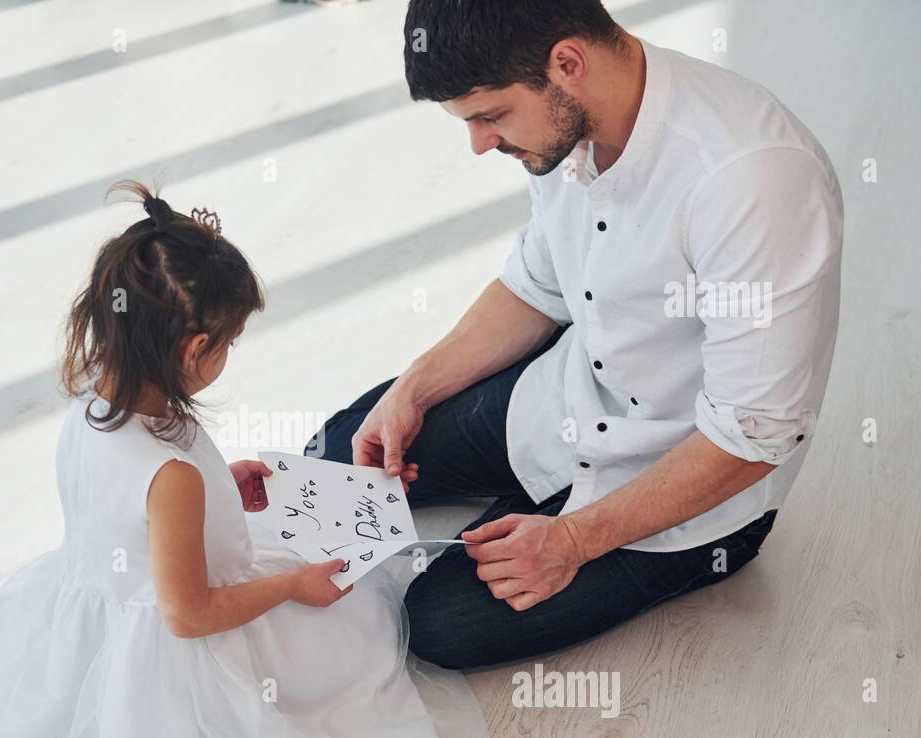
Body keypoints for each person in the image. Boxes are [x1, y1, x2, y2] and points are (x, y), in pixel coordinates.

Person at [0, 181, 488, 738]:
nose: (230, 354)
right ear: (195, 348)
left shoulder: (96, 405)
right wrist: (293, 585)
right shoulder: (169, 476)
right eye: (229, 342)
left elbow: (124, 521)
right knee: (357, 647)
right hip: (181, 648)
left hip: (100, 612)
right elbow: (190, 614)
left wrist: (220, 492)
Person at [309, 0, 843, 668]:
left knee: (437, 623)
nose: (478, 144)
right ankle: (519, 502)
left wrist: (572, 539)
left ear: (567, 63)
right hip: (561, 400)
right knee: (334, 457)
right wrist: (417, 387)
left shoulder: (751, 177)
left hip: (684, 485)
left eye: (490, 115)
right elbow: (537, 288)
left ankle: (538, 518)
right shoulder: (562, 133)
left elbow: (754, 434)